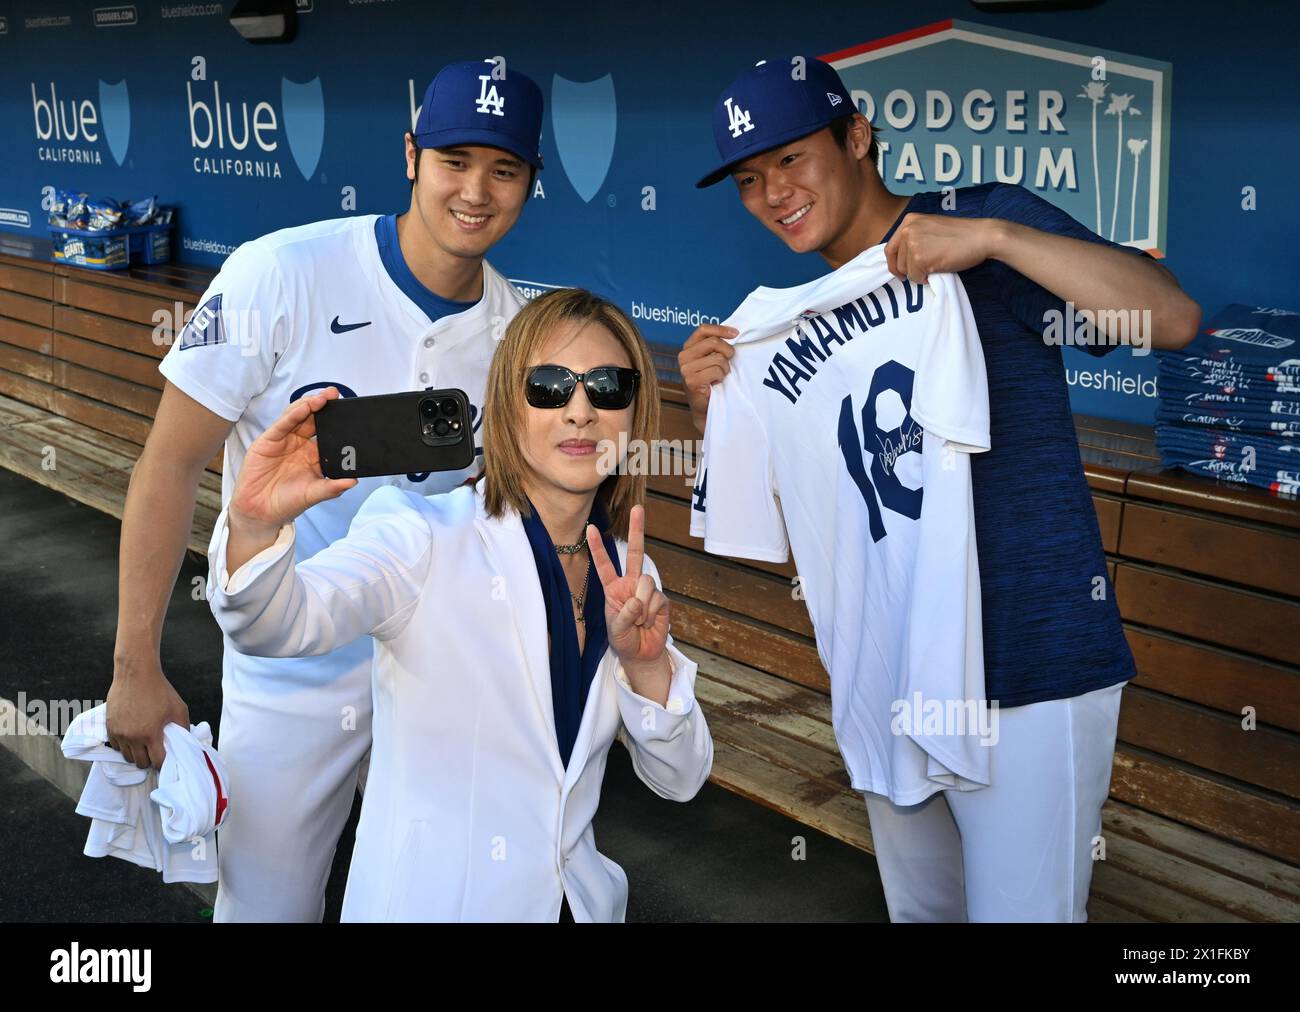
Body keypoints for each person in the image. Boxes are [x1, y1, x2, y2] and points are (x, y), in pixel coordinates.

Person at [682, 57, 1201, 922]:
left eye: (790, 159)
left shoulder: (979, 222)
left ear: (858, 139)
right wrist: (719, 411)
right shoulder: (782, 329)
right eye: (748, 178)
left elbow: (1170, 319)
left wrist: (997, 241)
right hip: (892, 670)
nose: (773, 192)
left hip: (1031, 658)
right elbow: (804, 516)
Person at [107, 59, 543, 922]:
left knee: (436, 901)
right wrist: (135, 666)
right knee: (264, 907)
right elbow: (169, 463)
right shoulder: (281, 270)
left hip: (433, 667)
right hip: (291, 667)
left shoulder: (519, 334)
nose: (477, 191)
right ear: (412, 155)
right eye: (456, 160)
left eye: (505, 169)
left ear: (531, 183)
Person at [205, 288, 713, 922]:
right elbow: (276, 624)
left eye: (608, 386)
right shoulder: (420, 534)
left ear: (635, 412)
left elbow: (681, 777)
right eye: (550, 386)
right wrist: (253, 527)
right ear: (505, 406)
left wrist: (647, 667)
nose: (581, 411)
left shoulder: (629, 573)